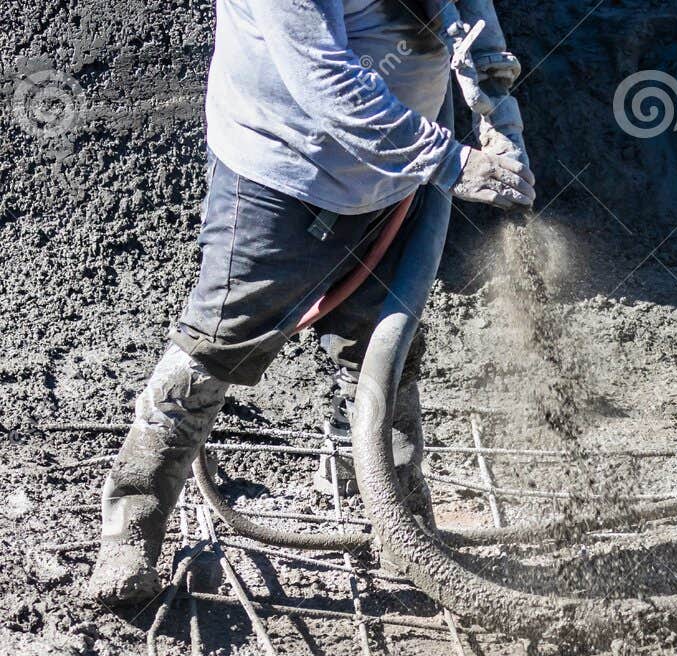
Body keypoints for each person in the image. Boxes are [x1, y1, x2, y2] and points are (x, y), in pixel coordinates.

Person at [87, 0, 536, 606]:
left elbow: (470, 10)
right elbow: (324, 78)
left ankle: (400, 520)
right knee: (214, 347)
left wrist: (497, 104)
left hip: (401, 170)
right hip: (284, 173)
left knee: (385, 344)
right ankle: (131, 526)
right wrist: (451, 161)